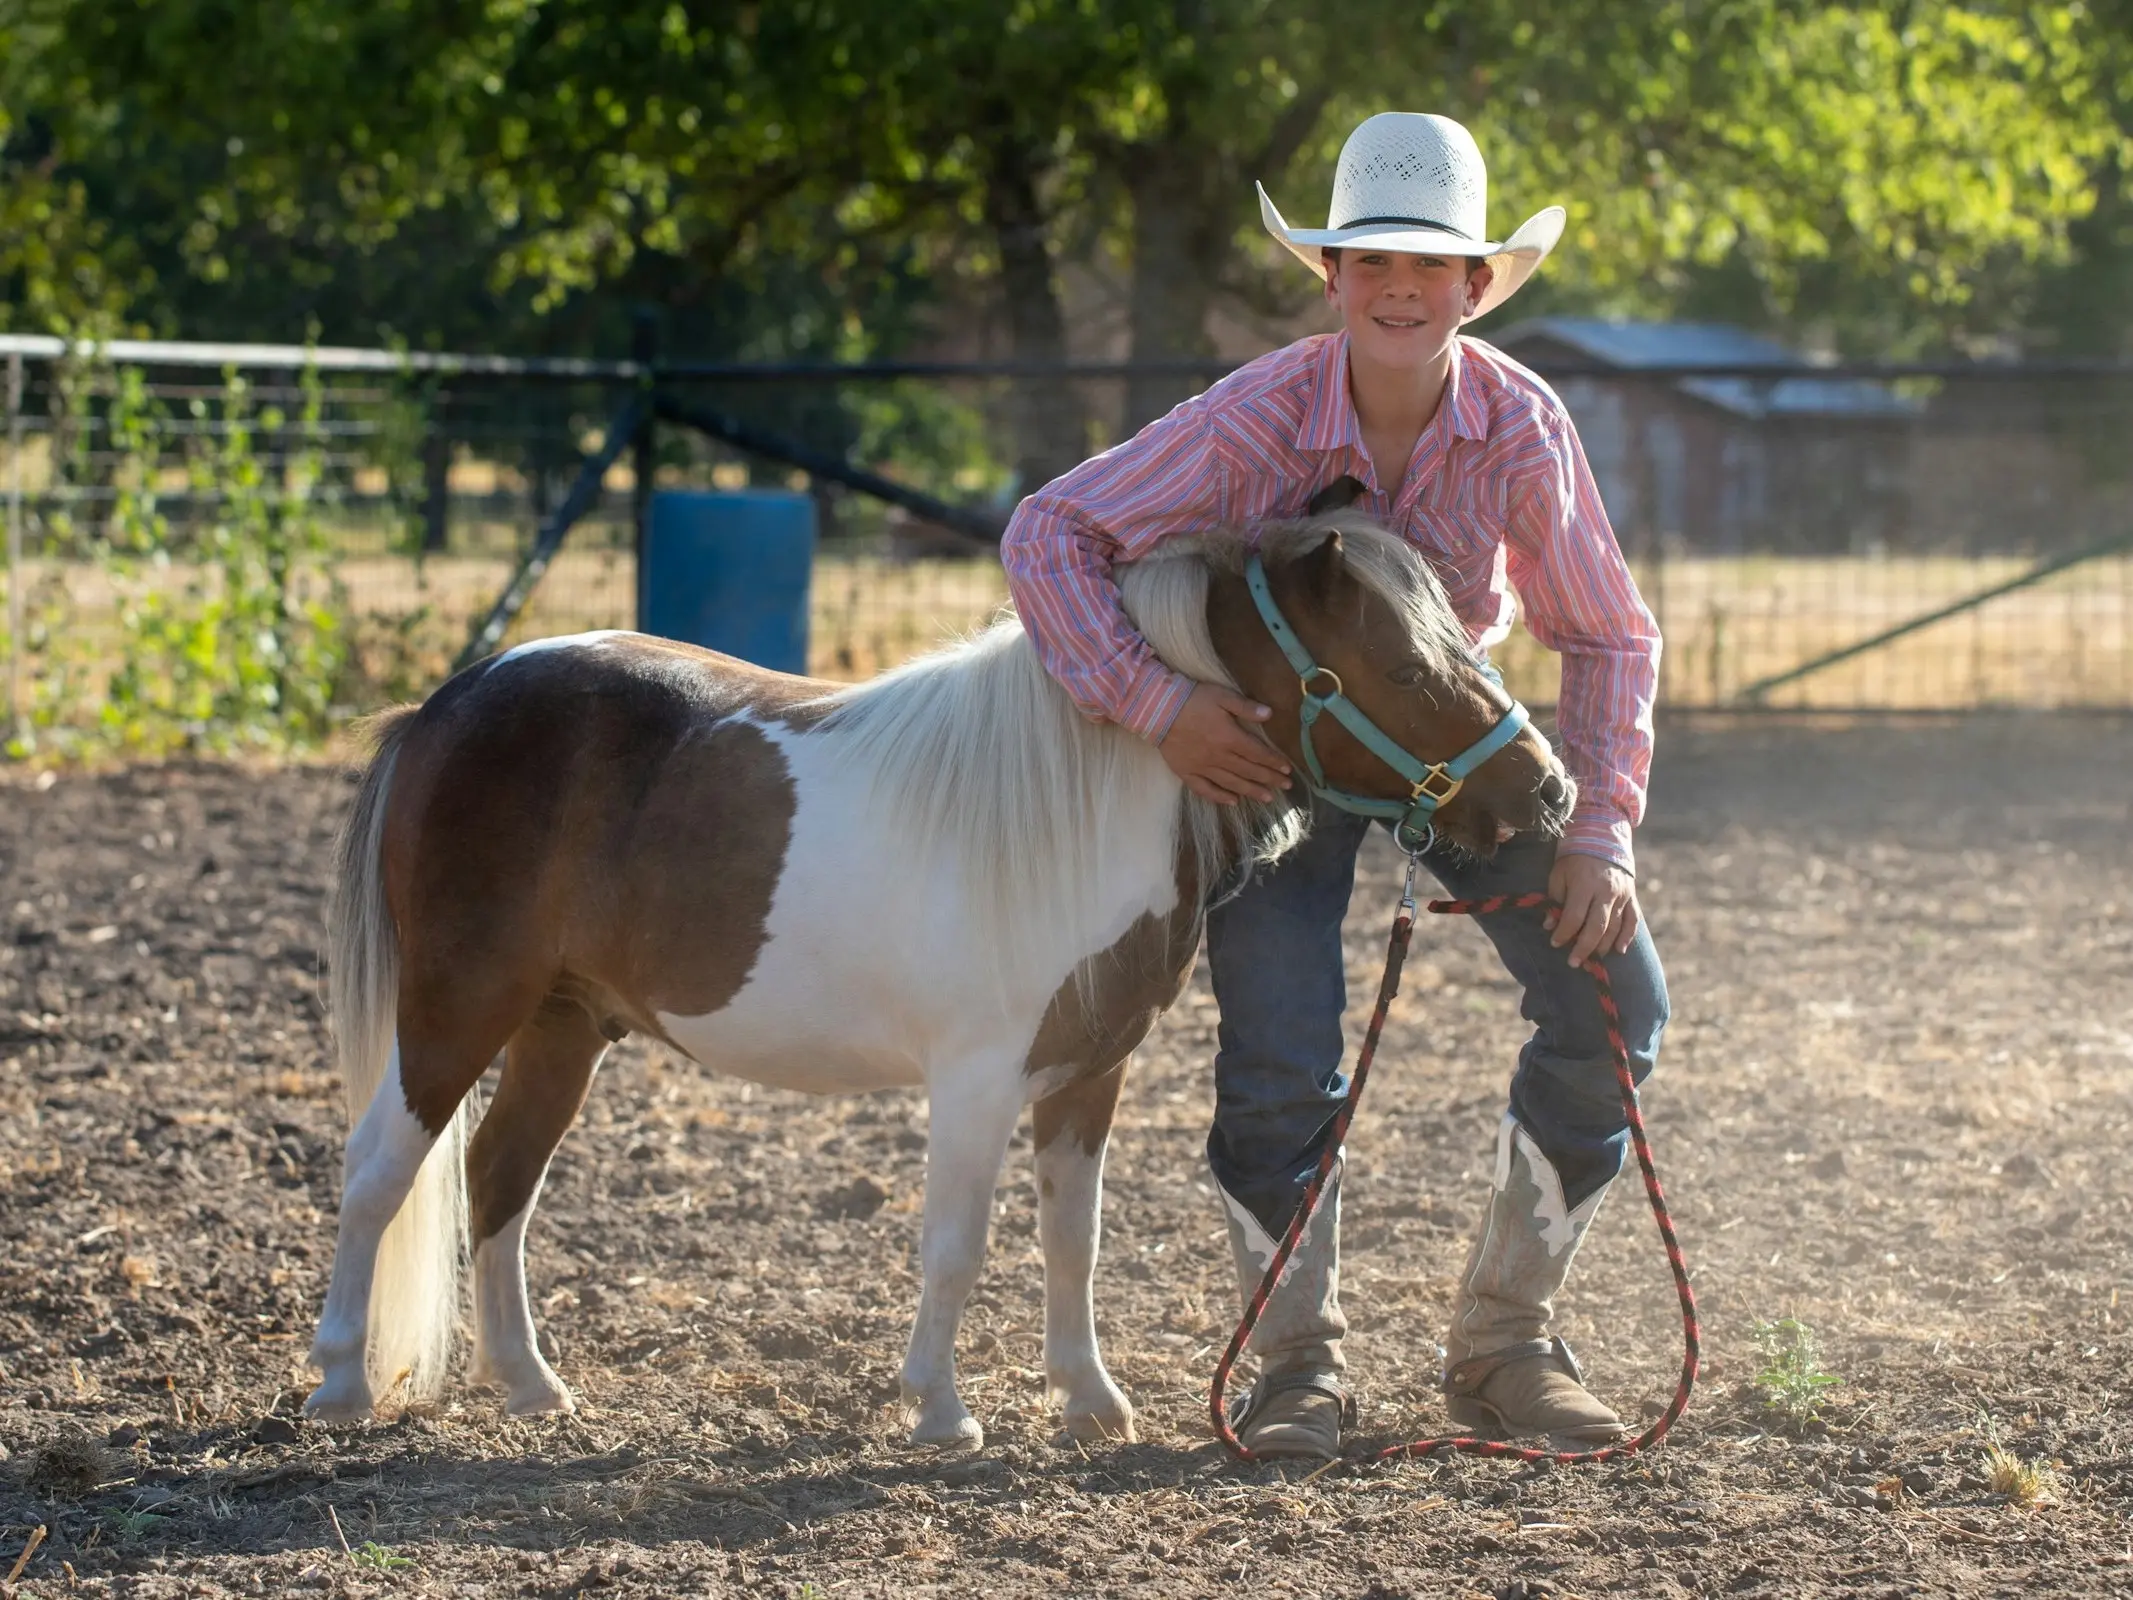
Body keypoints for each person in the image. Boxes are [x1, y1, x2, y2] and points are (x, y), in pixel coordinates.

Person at [1001, 112, 1668, 1459]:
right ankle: (1295, 1362)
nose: (1401, 289)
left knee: (1615, 1002)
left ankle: (1508, 1343)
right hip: (1279, 755)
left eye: (1431, 266)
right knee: (1276, 1051)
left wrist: (1600, 828)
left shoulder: (1521, 427)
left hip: (1446, 747)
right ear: (1332, 277)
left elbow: (1606, 634)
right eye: (1373, 262)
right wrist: (1158, 706)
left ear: (1476, 285)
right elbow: (1050, 531)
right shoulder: (1255, 417)